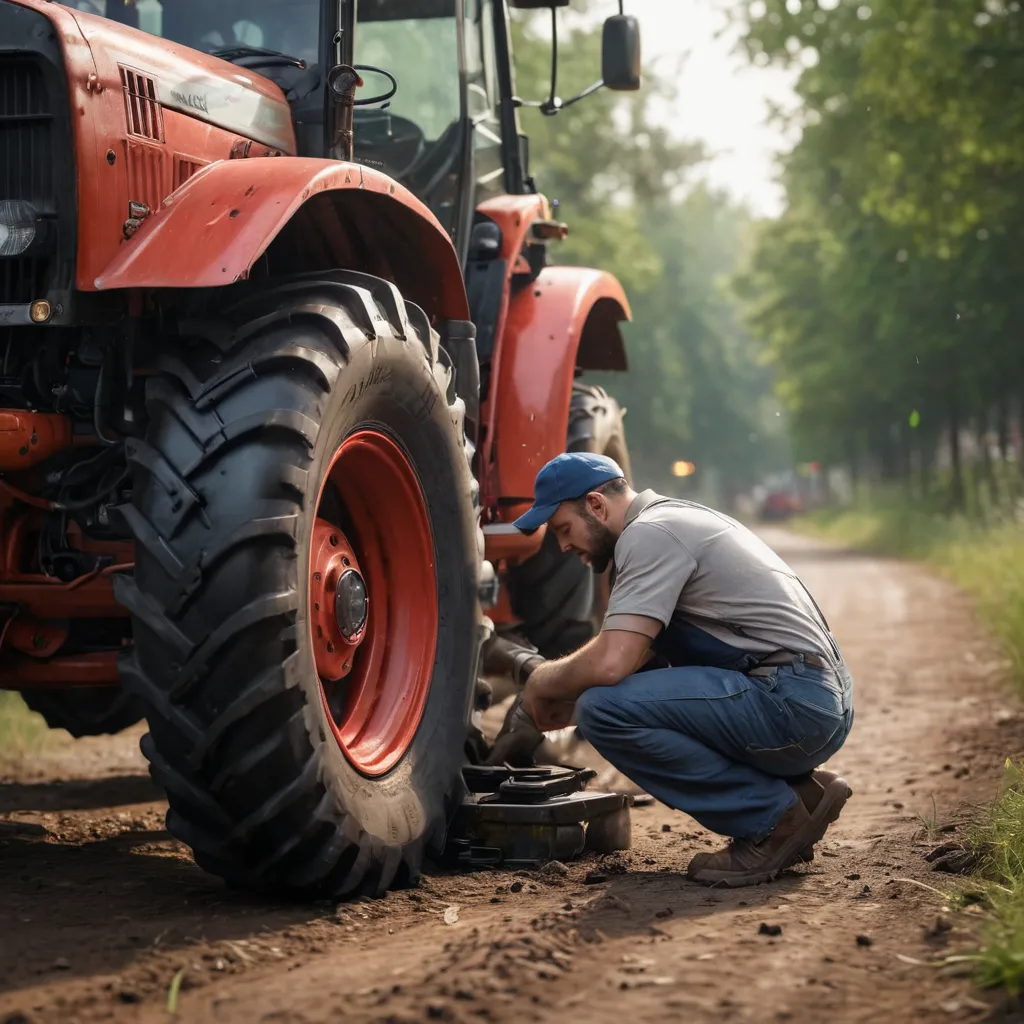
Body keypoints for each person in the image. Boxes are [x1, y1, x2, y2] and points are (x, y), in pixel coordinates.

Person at [511, 451, 855, 887]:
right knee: (611, 699)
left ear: (596, 505)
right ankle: (802, 795)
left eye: (564, 529)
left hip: (794, 702)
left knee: (603, 710)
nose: (562, 546)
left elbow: (613, 661)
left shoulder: (649, 534)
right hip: (816, 696)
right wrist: (568, 693)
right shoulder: (675, 518)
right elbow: (642, 666)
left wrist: (540, 683)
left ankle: (772, 821)